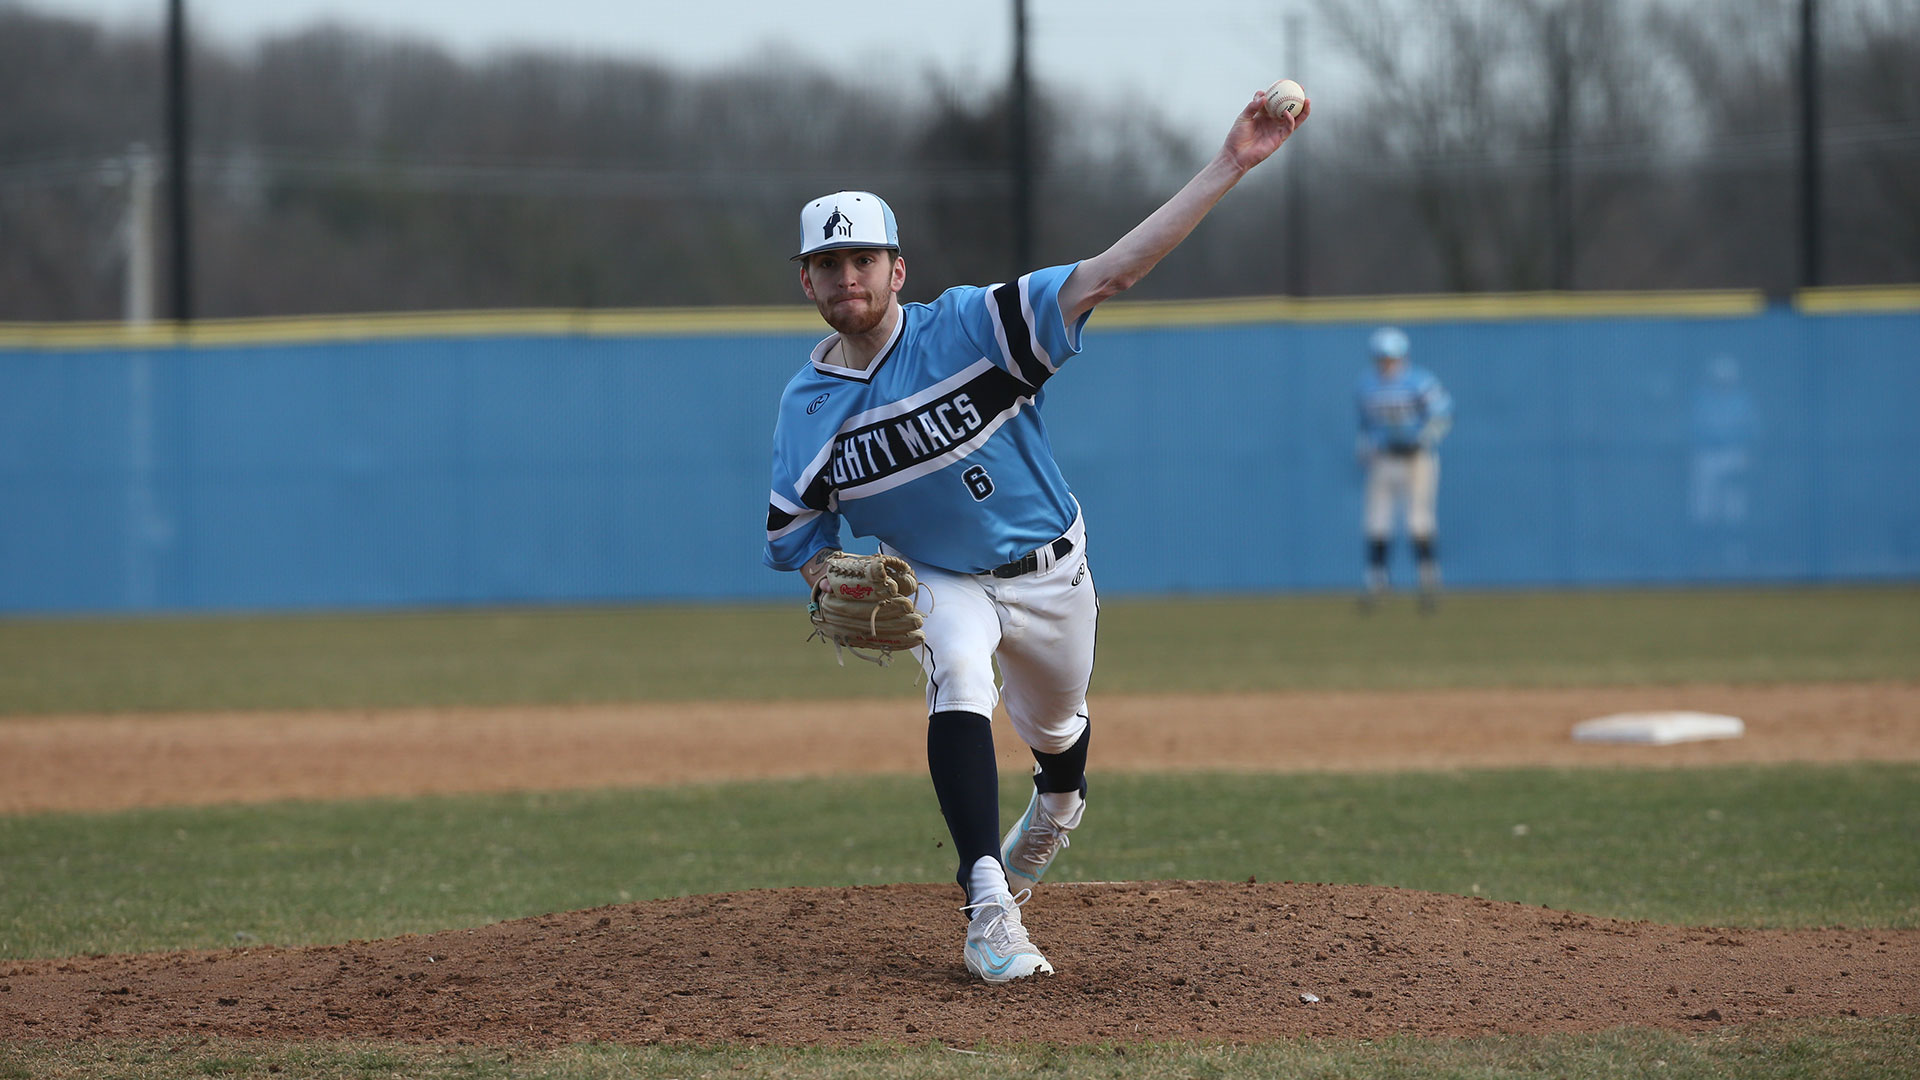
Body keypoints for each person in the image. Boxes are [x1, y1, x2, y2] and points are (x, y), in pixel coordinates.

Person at [762, 89, 1310, 983]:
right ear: (807, 282)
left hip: (1053, 568)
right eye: (828, 263)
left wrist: (1232, 164)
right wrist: (829, 577)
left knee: (1057, 735)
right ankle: (987, 906)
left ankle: (1057, 807)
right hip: (940, 577)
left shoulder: (976, 328)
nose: (846, 276)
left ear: (899, 270)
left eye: (863, 257)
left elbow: (1110, 273)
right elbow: (800, 539)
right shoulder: (806, 410)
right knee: (957, 676)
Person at [1355, 326, 1452, 611]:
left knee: (1418, 521)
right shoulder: (1367, 385)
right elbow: (1365, 424)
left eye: (1392, 358)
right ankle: (1376, 582)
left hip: (1416, 458)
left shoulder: (1419, 382)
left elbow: (1443, 415)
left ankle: (1428, 581)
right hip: (1384, 458)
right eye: (1383, 358)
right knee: (1377, 521)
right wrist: (1366, 446)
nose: (1387, 363)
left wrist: (1422, 439)